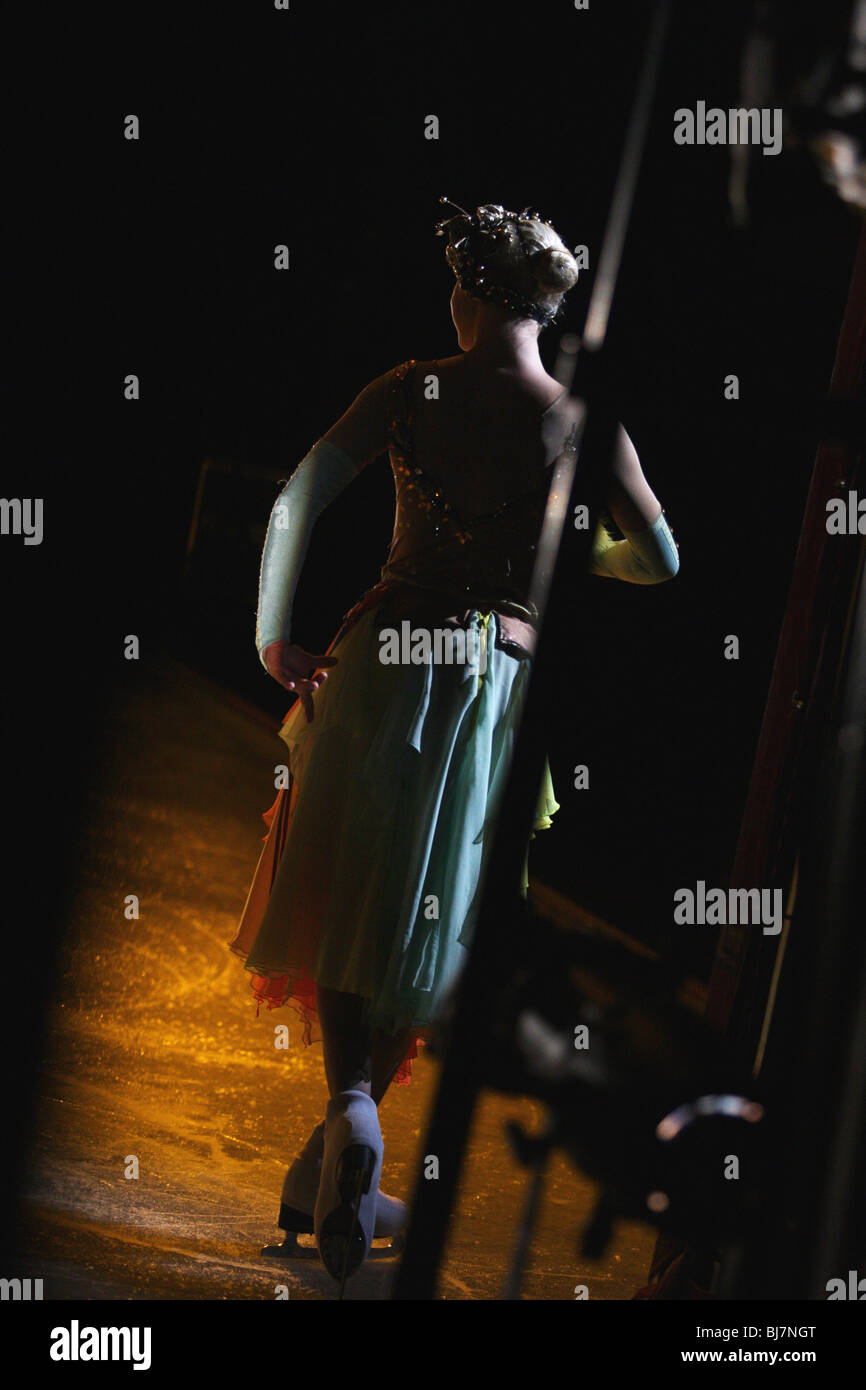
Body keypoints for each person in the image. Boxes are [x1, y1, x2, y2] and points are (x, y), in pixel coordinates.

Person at [229, 198, 679, 1287]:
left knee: (354, 891)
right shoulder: (580, 419)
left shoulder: (410, 386)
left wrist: (270, 640)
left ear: (468, 295)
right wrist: (567, 571)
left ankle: (342, 1115)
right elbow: (659, 558)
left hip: (384, 658)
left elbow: (293, 501)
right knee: (443, 908)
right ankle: (350, 1140)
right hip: (494, 682)